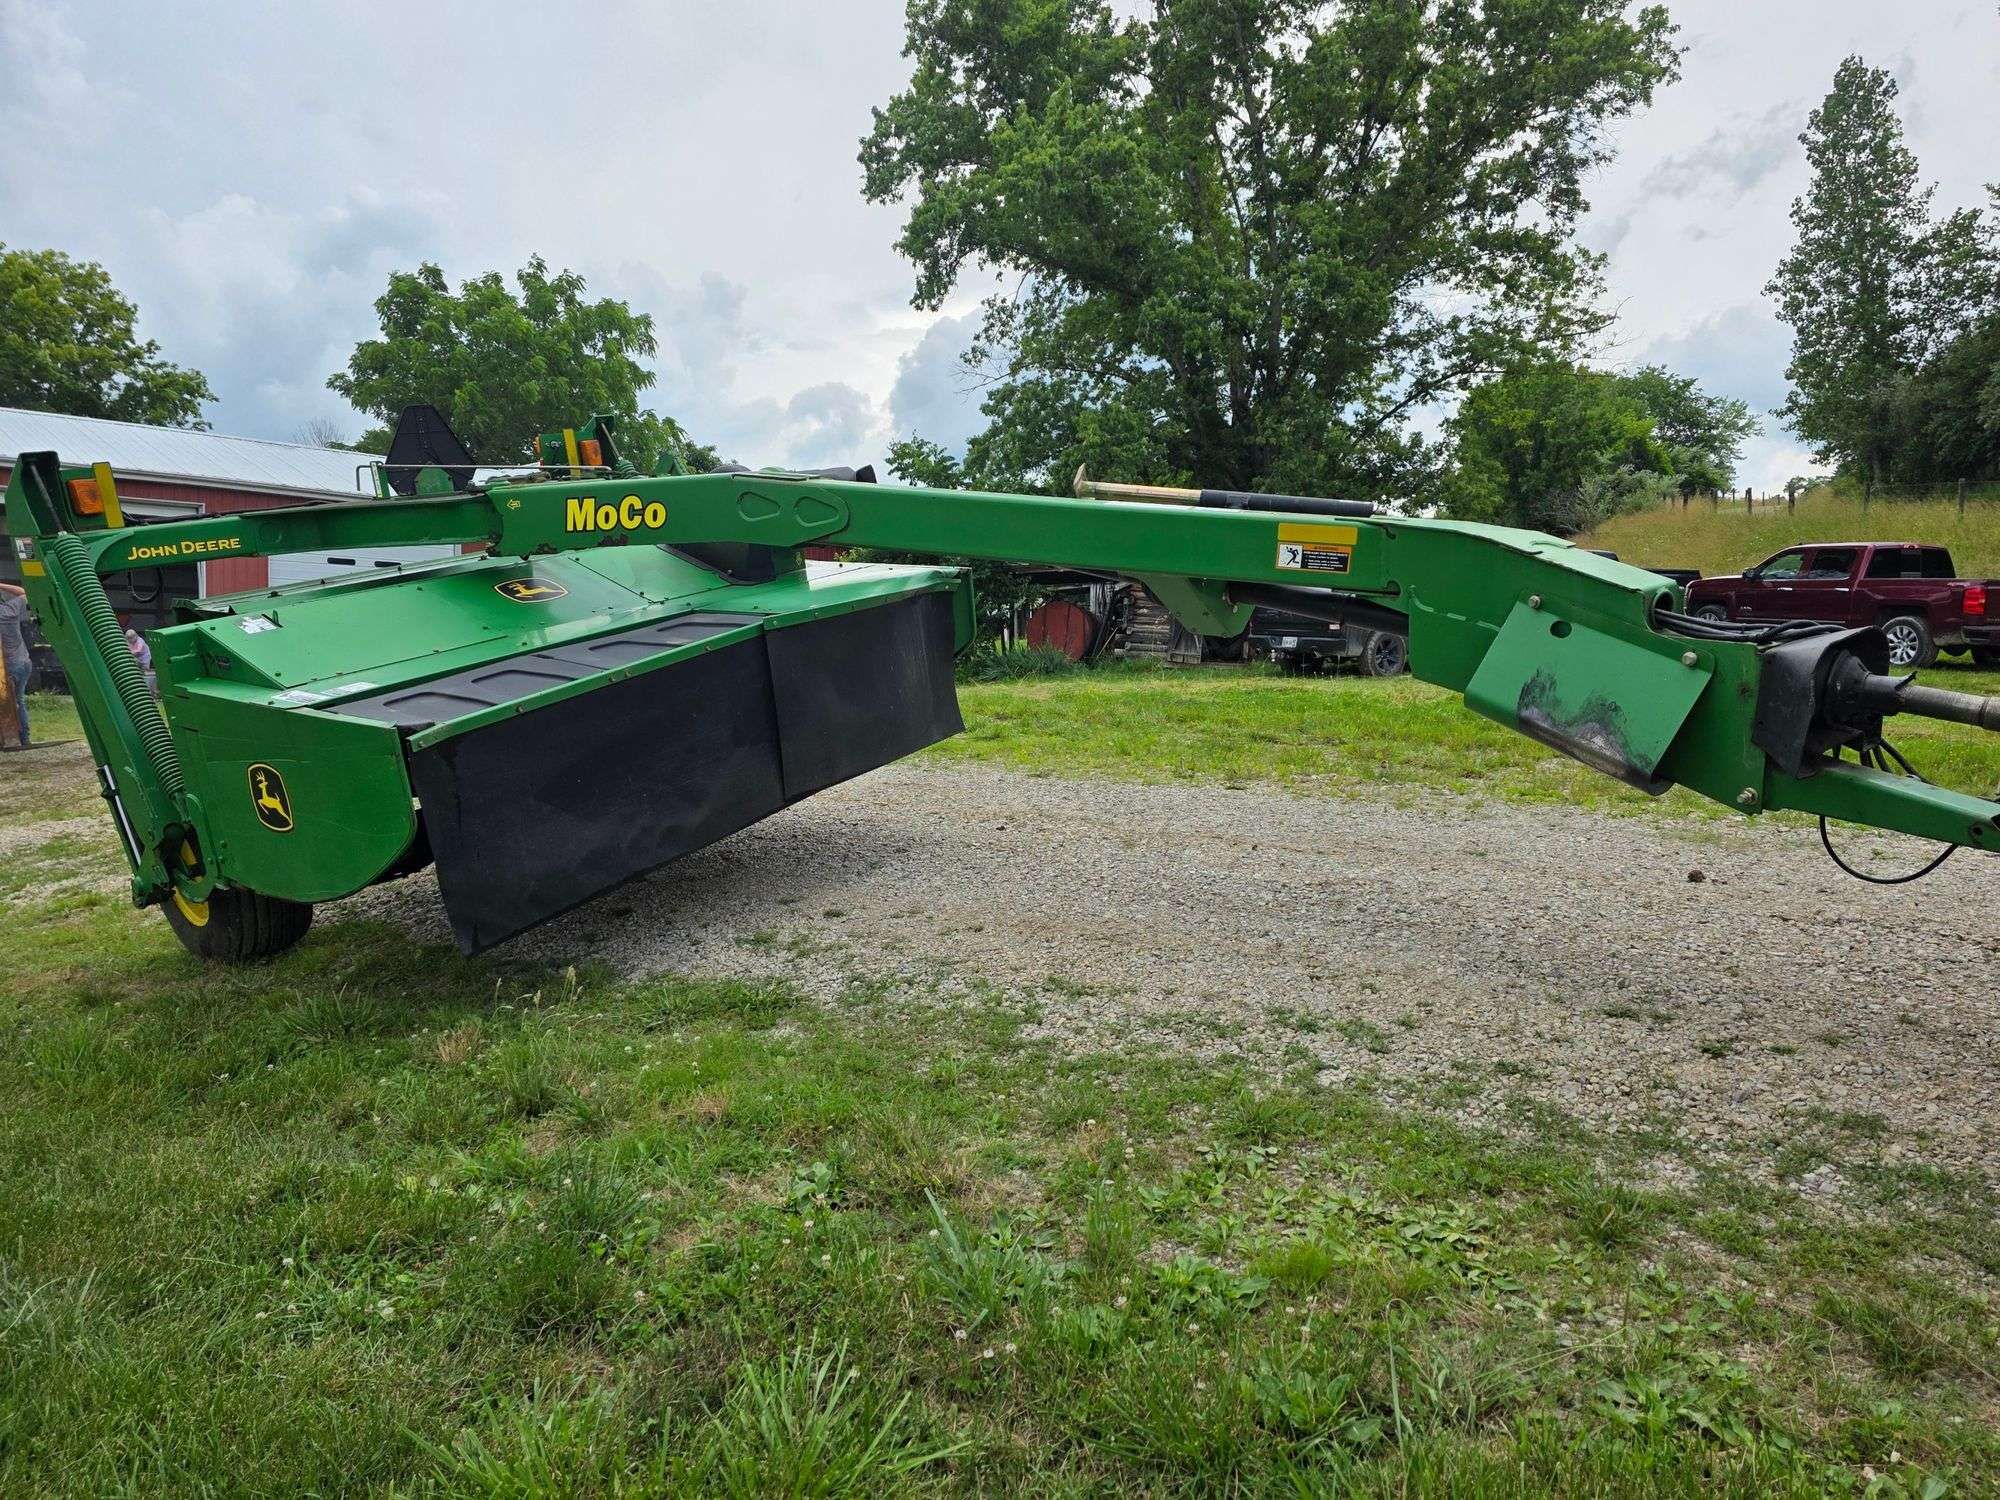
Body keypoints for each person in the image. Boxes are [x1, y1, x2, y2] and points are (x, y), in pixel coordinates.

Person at [0, 580, 31, 747]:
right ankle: (24, 738)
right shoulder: (10, 609)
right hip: (24, 662)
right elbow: (23, 592)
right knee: (19, 700)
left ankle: (12, 739)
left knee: (9, 703)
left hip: (8, 667)